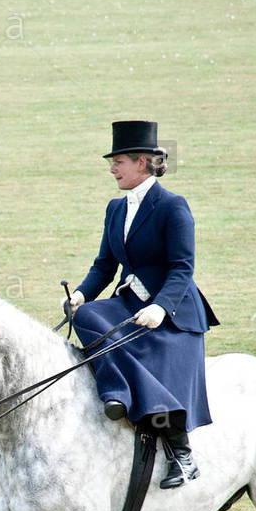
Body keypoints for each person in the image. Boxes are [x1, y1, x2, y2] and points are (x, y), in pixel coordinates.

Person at [67, 120, 219, 489]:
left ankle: (182, 453)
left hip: (172, 316)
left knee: (100, 325)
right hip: (131, 303)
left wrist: (160, 308)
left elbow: (183, 268)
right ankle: (117, 392)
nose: (112, 168)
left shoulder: (172, 206)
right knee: (85, 315)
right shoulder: (116, 208)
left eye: (117, 161)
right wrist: (82, 293)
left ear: (141, 163)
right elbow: (105, 264)